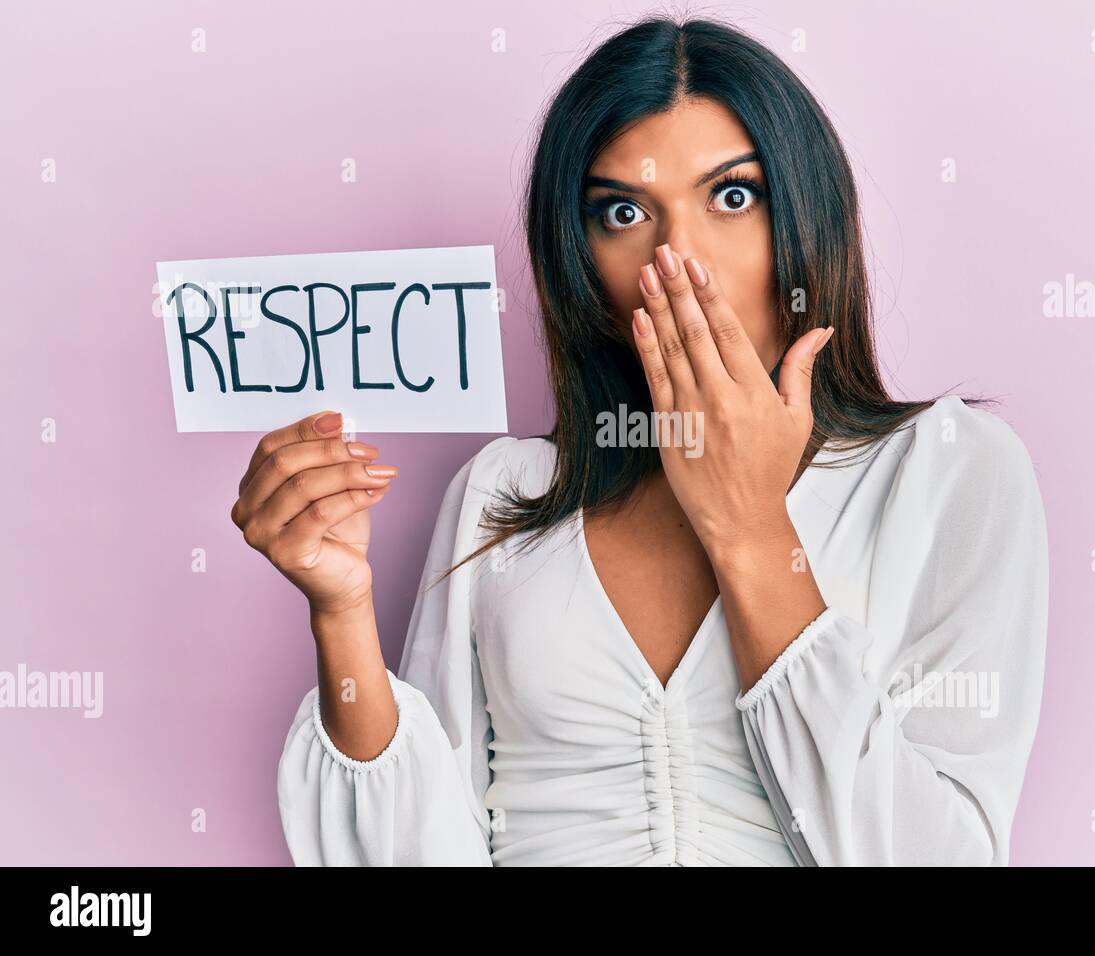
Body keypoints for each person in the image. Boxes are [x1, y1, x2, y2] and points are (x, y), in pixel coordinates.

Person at [234, 15, 1049, 866]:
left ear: (809, 214)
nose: (678, 260)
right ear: (578, 255)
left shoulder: (948, 469)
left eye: (733, 196)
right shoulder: (504, 492)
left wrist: (749, 528)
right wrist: (341, 611)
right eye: (623, 212)